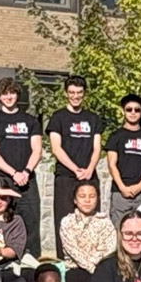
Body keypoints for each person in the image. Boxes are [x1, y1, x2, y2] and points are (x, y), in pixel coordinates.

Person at [0, 77, 45, 257]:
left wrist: (26, 172)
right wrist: (13, 173)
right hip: (1, 180)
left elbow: (37, 150)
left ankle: (30, 262)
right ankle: (0, 260)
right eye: (4, 93)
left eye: (12, 92)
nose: (8, 97)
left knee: (31, 223)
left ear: (18, 94)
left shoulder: (31, 121)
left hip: (27, 181)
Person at [46, 77, 104, 256]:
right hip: (66, 176)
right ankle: (64, 261)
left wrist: (88, 169)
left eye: (79, 93)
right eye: (71, 92)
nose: (75, 96)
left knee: (92, 220)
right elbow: (56, 148)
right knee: (64, 221)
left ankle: (92, 258)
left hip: (89, 176)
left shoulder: (93, 119)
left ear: (84, 94)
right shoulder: (58, 117)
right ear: (66, 93)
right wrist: (75, 169)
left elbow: (97, 148)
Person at [104, 94, 141, 223]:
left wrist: (139, 186)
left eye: (137, 109)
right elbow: (112, 165)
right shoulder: (115, 136)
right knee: (119, 230)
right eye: (129, 109)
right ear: (123, 111)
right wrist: (123, 187)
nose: (133, 113)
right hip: (119, 192)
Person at [59, 182, 117, 282]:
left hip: (102, 268)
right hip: (75, 269)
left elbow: (109, 247)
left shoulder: (105, 222)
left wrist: (98, 267)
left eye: (92, 196)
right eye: (82, 196)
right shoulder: (67, 222)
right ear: (75, 200)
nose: (87, 200)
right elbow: (73, 251)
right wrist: (92, 268)